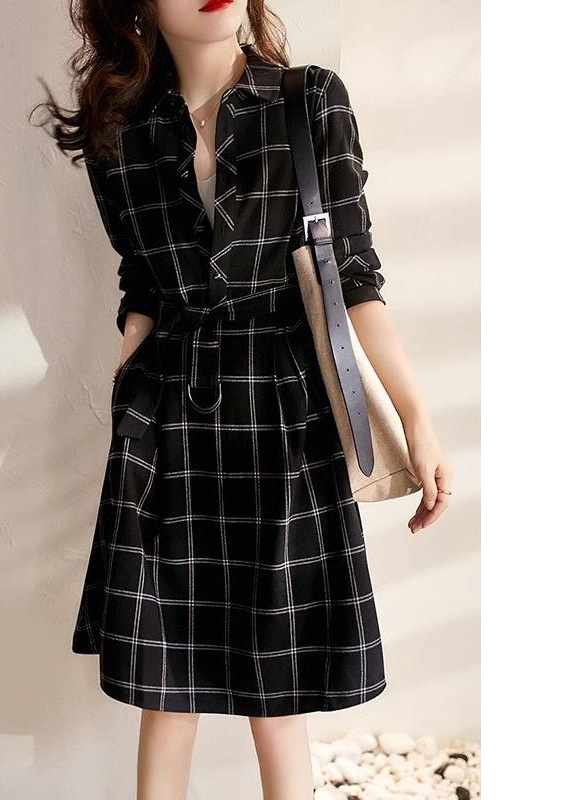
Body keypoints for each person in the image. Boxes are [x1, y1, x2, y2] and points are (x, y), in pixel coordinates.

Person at [34, 1, 453, 797]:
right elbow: (142, 282)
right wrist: (126, 399)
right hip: (166, 413)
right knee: (166, 686)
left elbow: (353, 274)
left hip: (284, 411)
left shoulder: (309, 99)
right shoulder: (121, 131)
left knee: (279, 689)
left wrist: (417, 421)